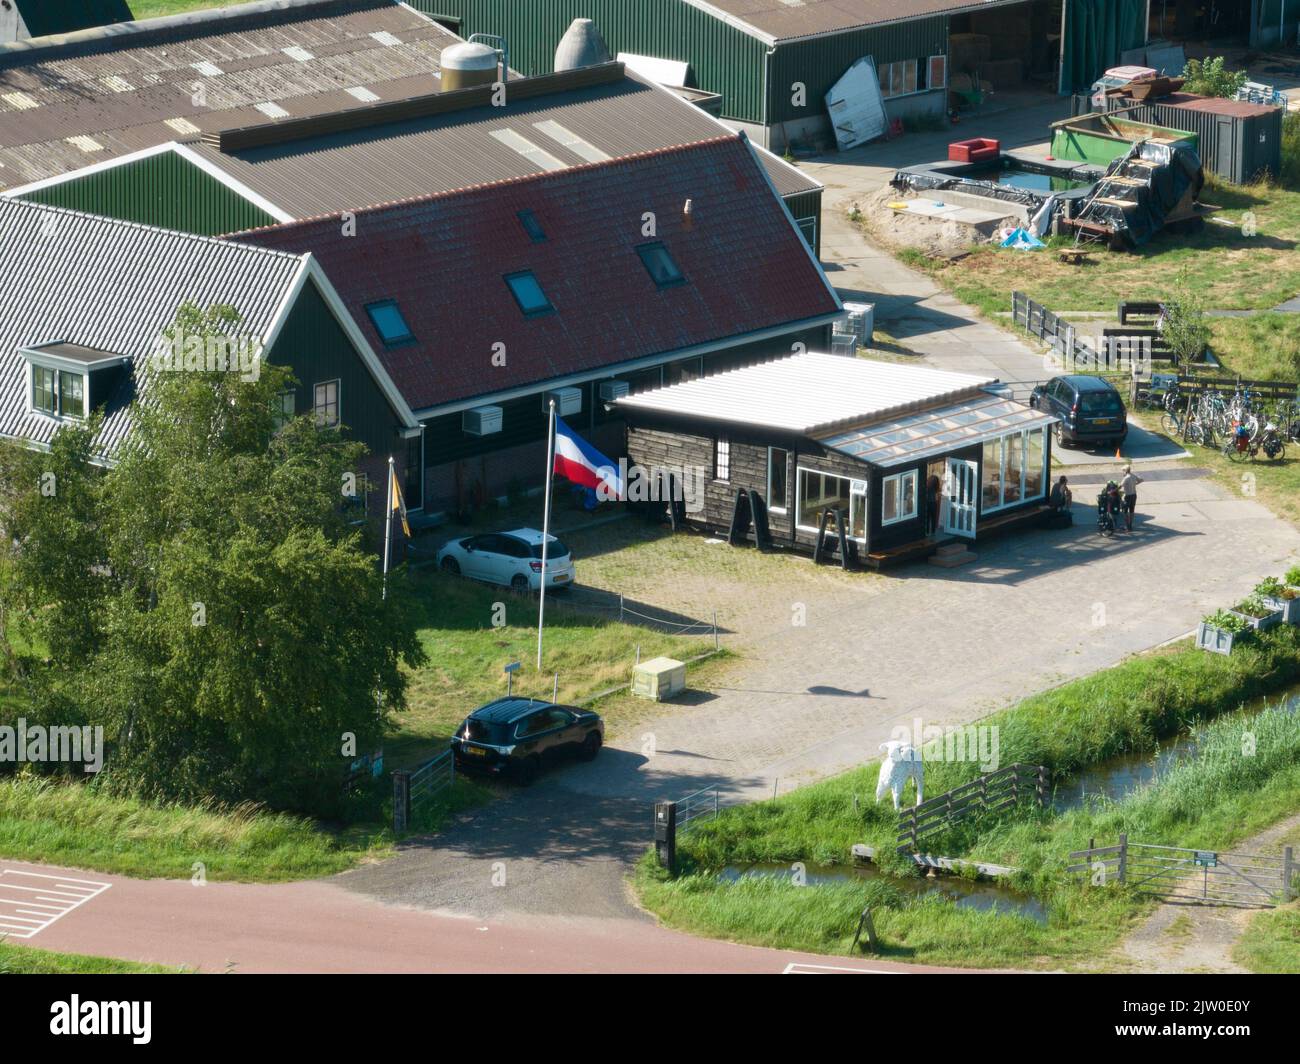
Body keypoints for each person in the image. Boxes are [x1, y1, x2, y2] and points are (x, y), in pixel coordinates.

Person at [1120, 464, 1143, 531]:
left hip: (1128, 496)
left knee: (1124, 511)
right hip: (1134, 495)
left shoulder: (1126, 478)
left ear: (1125, 471)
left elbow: (1120, 486)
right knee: (1132, 510)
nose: (1122, 472)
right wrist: (1135, 484)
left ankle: (1127, 527)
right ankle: (1130, 525)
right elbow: (1141, 480)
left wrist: (1112, 491)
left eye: (1123, 471)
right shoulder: (1133, 475)